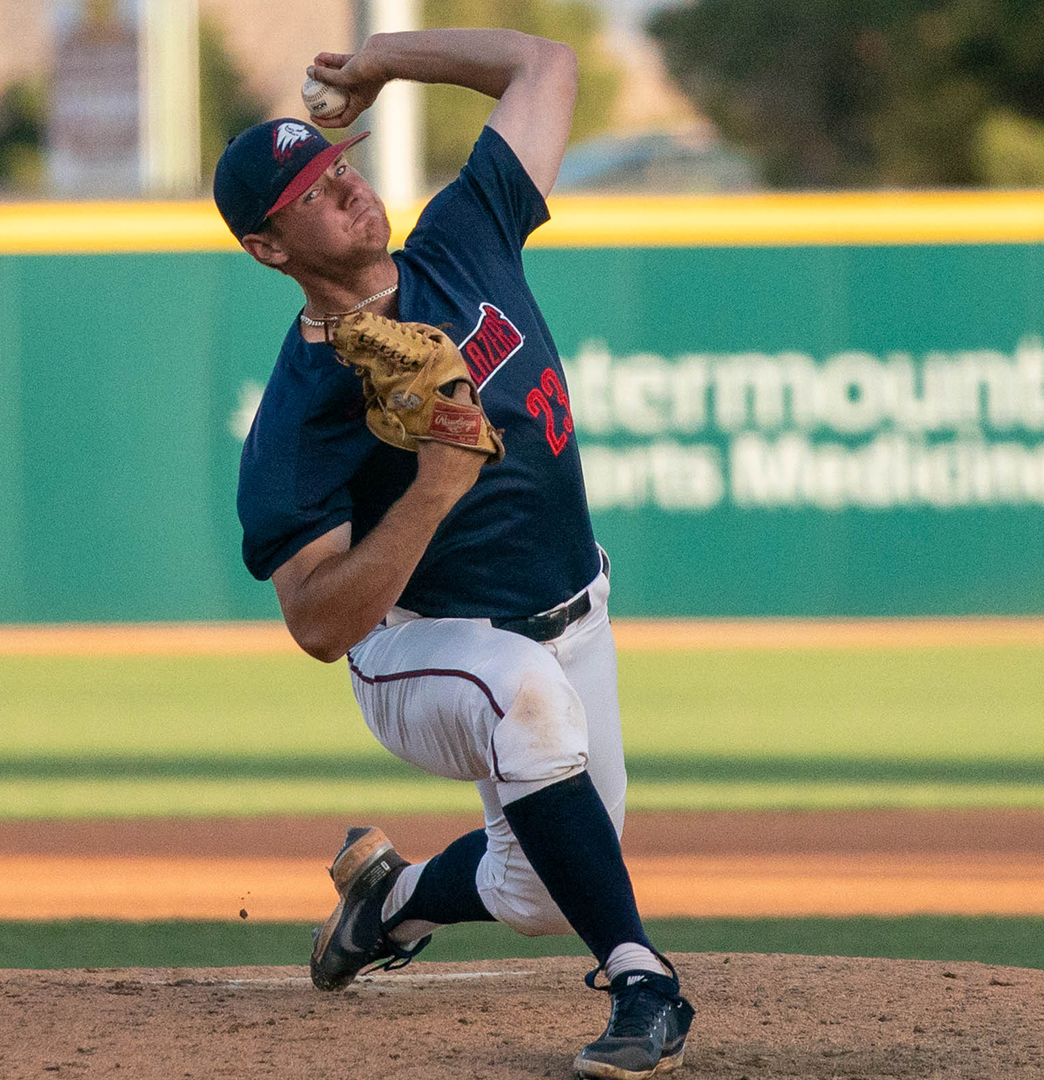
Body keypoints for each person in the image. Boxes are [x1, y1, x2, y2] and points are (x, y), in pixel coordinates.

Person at [212, 27, 696, 1080]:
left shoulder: (463, 233)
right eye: (309, 189)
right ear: (270, 247)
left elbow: (546, 68)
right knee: (525, 701)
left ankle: (386, 901)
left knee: (536, 888)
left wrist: (387, 57)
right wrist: (434, 489)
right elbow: (317, 623)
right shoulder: (301, 415)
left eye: (339, 163)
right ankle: (641, 980)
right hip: (418, 650)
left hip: (577, 608)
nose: (343, 188)